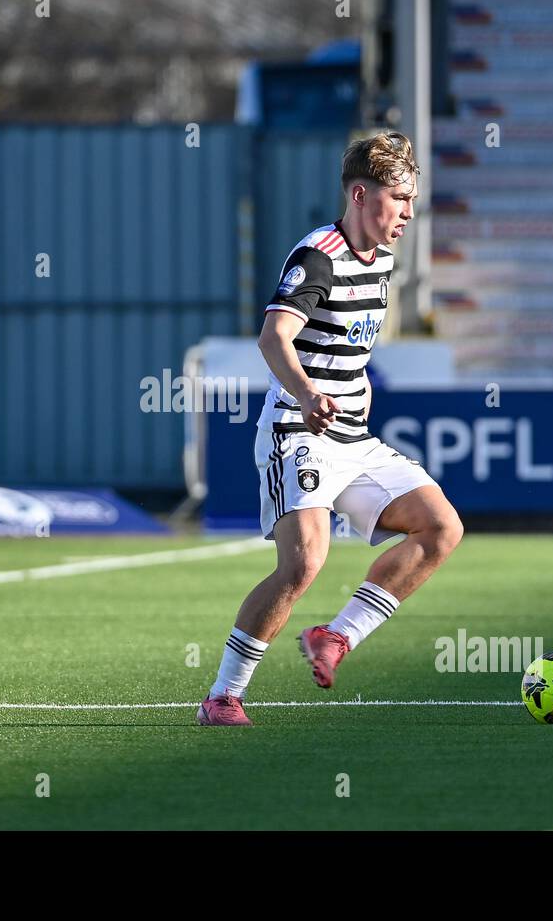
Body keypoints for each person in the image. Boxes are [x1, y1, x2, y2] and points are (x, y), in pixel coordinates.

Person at [198, 132, 463, 726]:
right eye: (401, 198)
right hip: (298, 428)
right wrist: (308, 392)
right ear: (361, 194)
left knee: (442, 527)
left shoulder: (386, 260)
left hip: (355, 438)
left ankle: (336, 637)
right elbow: (274, 337)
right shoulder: (318, 256)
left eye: (413, 199)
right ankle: (222, 696)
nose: (409, 213)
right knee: (303, 564)